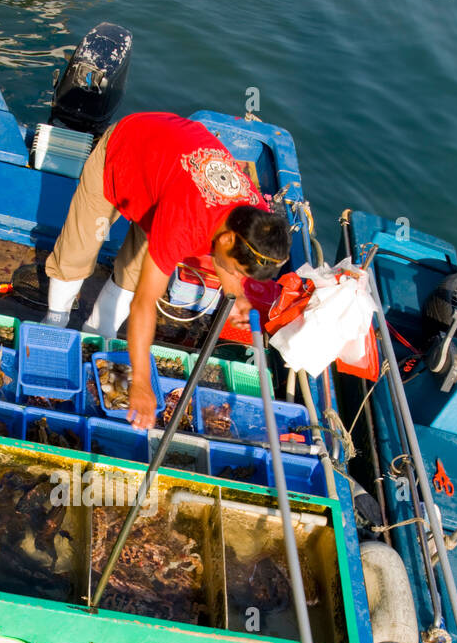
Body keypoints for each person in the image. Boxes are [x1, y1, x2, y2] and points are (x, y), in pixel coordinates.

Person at [42, 111, 291, 428]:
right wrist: (141, 383)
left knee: (133, 273)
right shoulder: (186, 223)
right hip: (123, 153)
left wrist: (236, 294)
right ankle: (55, 320)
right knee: (79, 251)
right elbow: (144, 303)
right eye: (238, 270)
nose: (236, 274)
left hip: (166, 181)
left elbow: (227, 257)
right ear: (227, 238)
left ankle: (96, 335)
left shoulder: (254, 217)